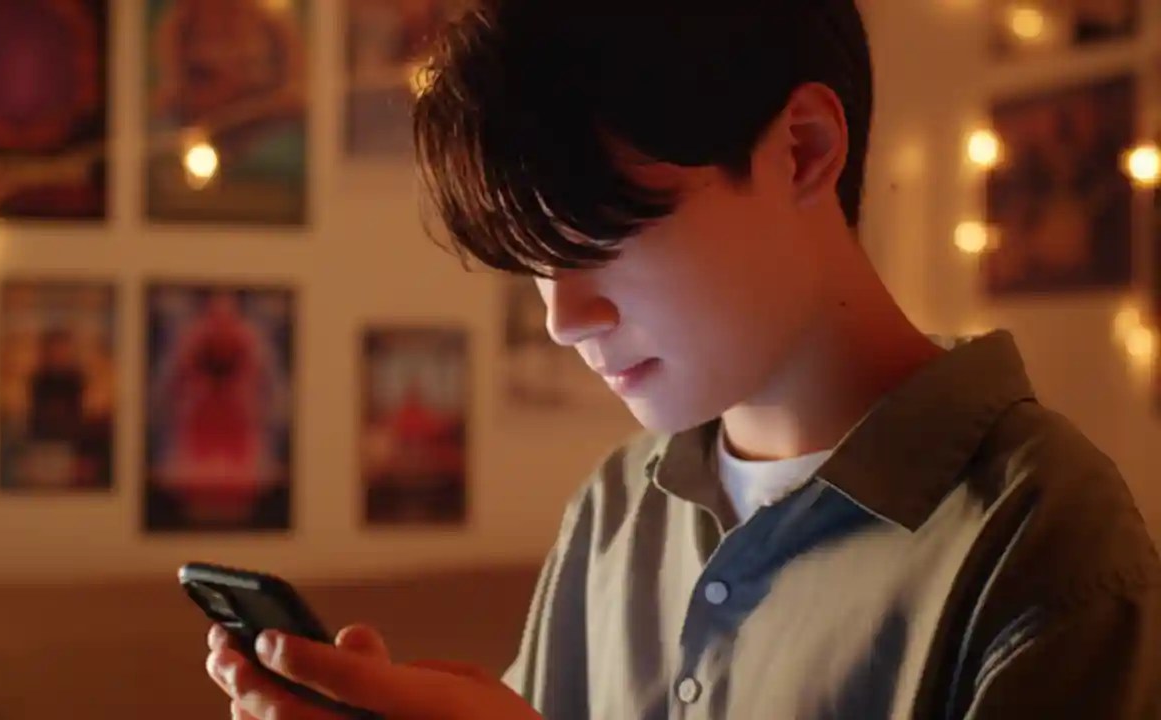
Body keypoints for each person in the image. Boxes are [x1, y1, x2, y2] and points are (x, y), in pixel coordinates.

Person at [203, 1, 1161, 718]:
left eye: (599, 238)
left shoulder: (1043, 548)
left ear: (801, 149)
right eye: (535, 264)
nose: (563, 320)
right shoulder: (618, 512)